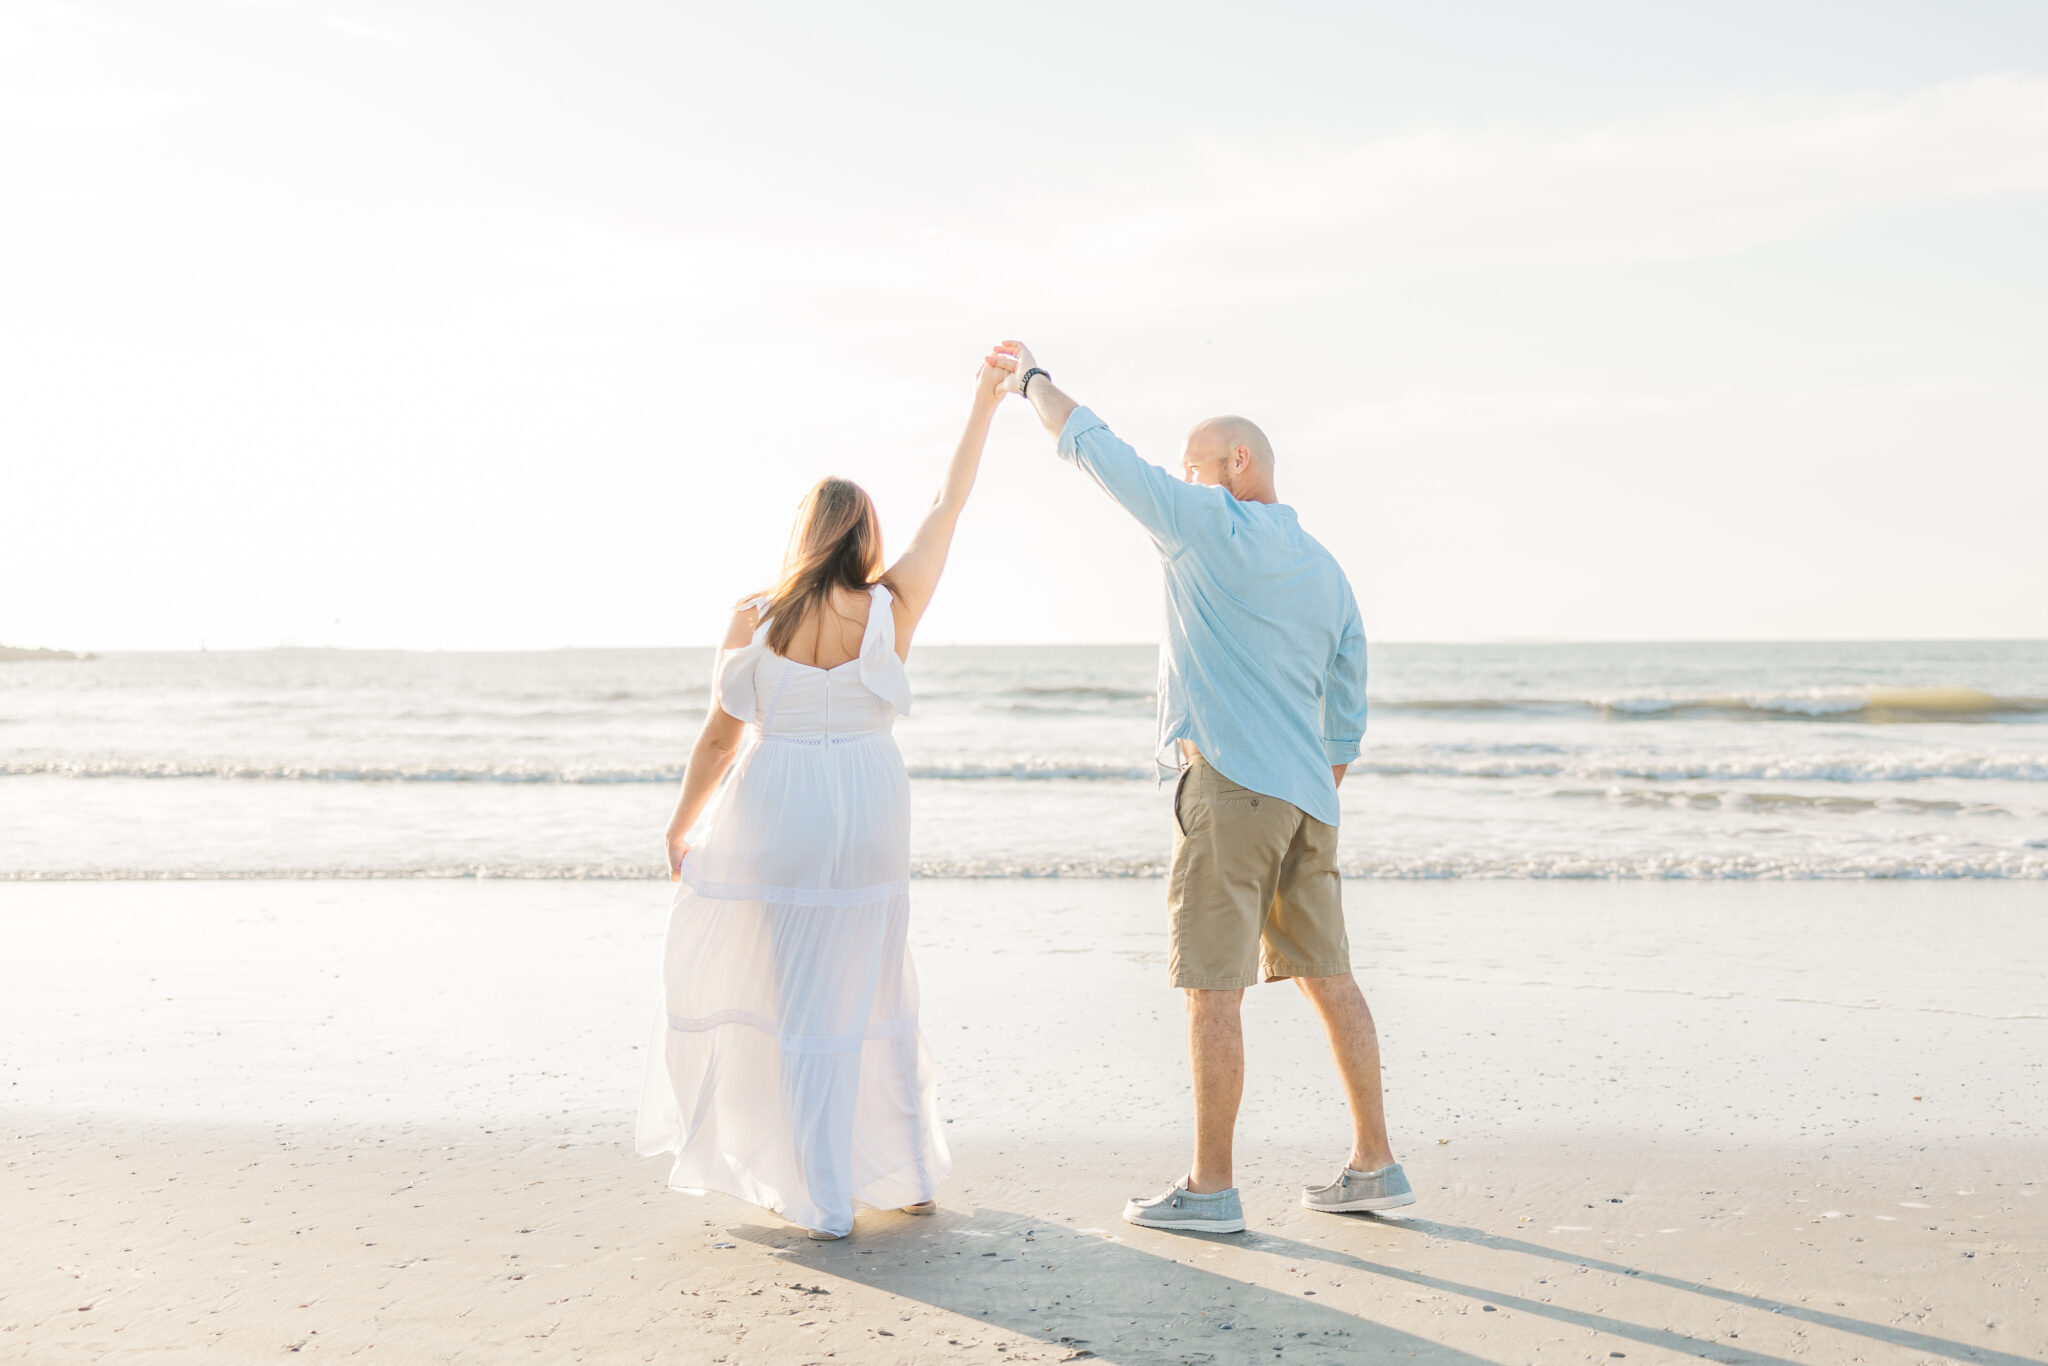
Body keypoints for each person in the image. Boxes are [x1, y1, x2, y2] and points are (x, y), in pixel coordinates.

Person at [989, 339, 1412, 1232]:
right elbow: (1348, 712)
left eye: (1193, 465)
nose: (1182, 479)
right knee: (1329, 977)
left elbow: (1098, 451)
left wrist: (1031, 382)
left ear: (1237, 463)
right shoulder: (1326, 571)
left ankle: (1212, 1189)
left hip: (1231, 793)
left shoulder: (1204, 523)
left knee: (1212, 988)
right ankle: (1376, 1163)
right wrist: (1307, 780)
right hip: (1309, 804)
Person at [635, 353, 1009, 1240]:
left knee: (795, 997)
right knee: (876, 983)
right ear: (864, 534)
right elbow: (948, 505)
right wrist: (983, 406)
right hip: (872, 799)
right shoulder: (893, 604)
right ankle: (905, 1173)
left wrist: (681, 823)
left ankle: (822, 1194)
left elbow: (722, 737)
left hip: (782, 800)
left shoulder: (756, 614)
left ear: (804, 532)